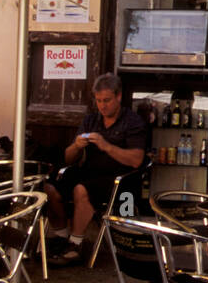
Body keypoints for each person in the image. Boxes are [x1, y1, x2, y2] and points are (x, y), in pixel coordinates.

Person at [45, 73, 147, 266]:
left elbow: (136, 160)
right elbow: (67, 159)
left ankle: (75, 246)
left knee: (81, 189)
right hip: (90, 172)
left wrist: (106, 145)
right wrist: (76, 146)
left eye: (107, 100)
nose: (102, 106)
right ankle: (62, 237)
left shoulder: (133, 122)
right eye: (99, 101)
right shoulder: (91, 120)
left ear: (118, 97)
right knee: (50, 187)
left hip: (121, 181)